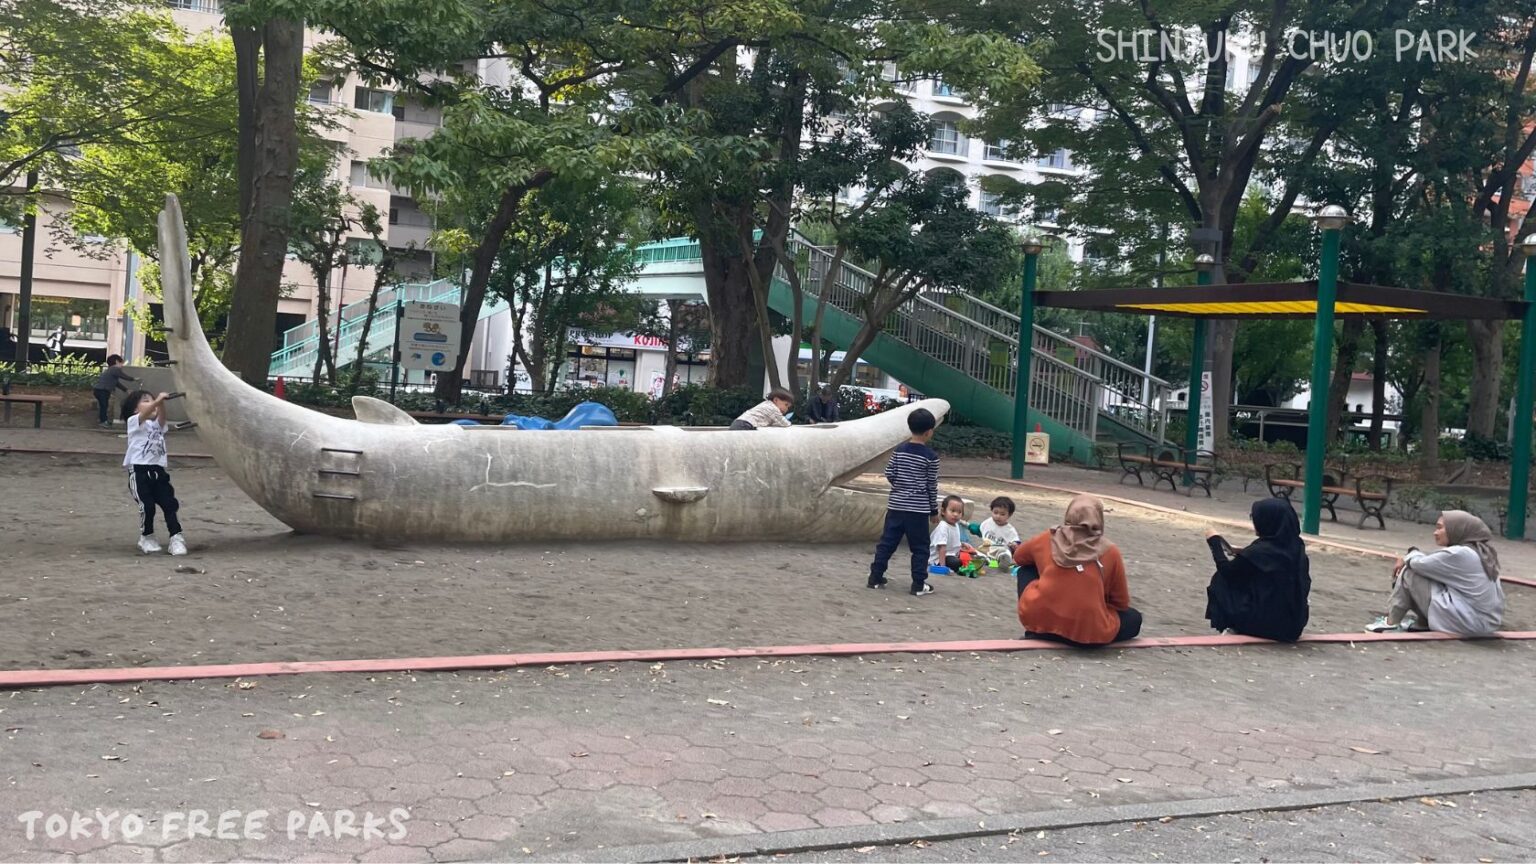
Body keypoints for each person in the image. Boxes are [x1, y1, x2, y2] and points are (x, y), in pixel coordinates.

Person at [1013, 494, 1141, 646]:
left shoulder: (1048, 537)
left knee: (1026, 569)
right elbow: (1121, 602)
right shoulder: (1110, 551)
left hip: (1042, 625)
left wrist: (1048, 566)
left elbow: (1019, 557)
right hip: (1088, 633)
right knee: (1134, 618)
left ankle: (1038, 624)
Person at [1366, 511, 1504, 636]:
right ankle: (1423, 624)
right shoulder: (1481, 552)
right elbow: (1430, 564)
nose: (1435, 533)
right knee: (1431, 576)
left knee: (1410, 572)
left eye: (1440, 528)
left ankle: (1391, 623)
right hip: (1487, 625)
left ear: (1456, 529)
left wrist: (1408, 555)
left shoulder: (1460, 553)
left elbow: (1418, 564)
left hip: (1468, 624)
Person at [1203, 499, 1311, 642]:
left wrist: (1214, 541)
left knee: (1221, 579)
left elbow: (1227, 570)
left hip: (1266, 627)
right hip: (1292, 626)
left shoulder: (1260, 551)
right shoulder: (1296, 547)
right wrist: (1245, 554)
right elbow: (1269, 563)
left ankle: (1235, 623)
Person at [867, 407, 940, 595]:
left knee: (887, 543)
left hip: (896, 506)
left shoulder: (899, 450)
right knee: (920, 548)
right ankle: (918, 585)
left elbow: (889, 472)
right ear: (928, 432)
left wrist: (899, 486)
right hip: (918, 510)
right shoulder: (931, 457)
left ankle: (875, 577)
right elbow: (931, 486)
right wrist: (933, 511)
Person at [121, 390, 187, 556]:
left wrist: (161, 404)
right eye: (145, 401)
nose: (151, 404)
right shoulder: (134, 421)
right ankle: (146, 537)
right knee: (147, 506)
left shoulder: (155, 425)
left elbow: (162, 419)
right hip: (139, 470)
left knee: (169, 504)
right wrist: (157, 400)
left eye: (151, 400)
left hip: (158, 470)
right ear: (135, 409)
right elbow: (147, 412)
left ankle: (176, 537)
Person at [929, 494, 978, 573]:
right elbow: (942, 548)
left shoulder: (955, 525)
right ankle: (954, 565)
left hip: (951, 554)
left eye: (959, 512)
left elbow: (951, 541)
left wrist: (962, 544)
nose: (955, 514)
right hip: (939, 558)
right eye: (952, 511)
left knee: (971, 554)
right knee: (956, 562)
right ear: (943, 511)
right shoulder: (943, 527)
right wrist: (942, 567)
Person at [92, 355, 138, 429]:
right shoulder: (115, 369)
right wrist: (133, 379)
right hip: (102, 390)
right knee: (104, 406)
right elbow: (123, 376)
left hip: (99, 390)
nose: (122, 366)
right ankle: (103, 421)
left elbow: (116, 383)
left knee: (103, 405)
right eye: (121, 363)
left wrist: (126, 390)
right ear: (117, 361)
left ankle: (103, 420)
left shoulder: (110, 371)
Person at [972, 496, 1022, 561]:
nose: (998, 516)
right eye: (995, 513)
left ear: (1009, 515)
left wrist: (1014, 545)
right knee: (977, 552)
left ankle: (1004, 561)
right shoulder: (989, 522)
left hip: (1001, 550)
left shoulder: (1010, 530)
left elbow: (1016, 541)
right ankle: (984, 559)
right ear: (991, 511)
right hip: (987, 548)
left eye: (1002, 514)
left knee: (1005, 553)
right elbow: (981, 530)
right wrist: (975, 528)